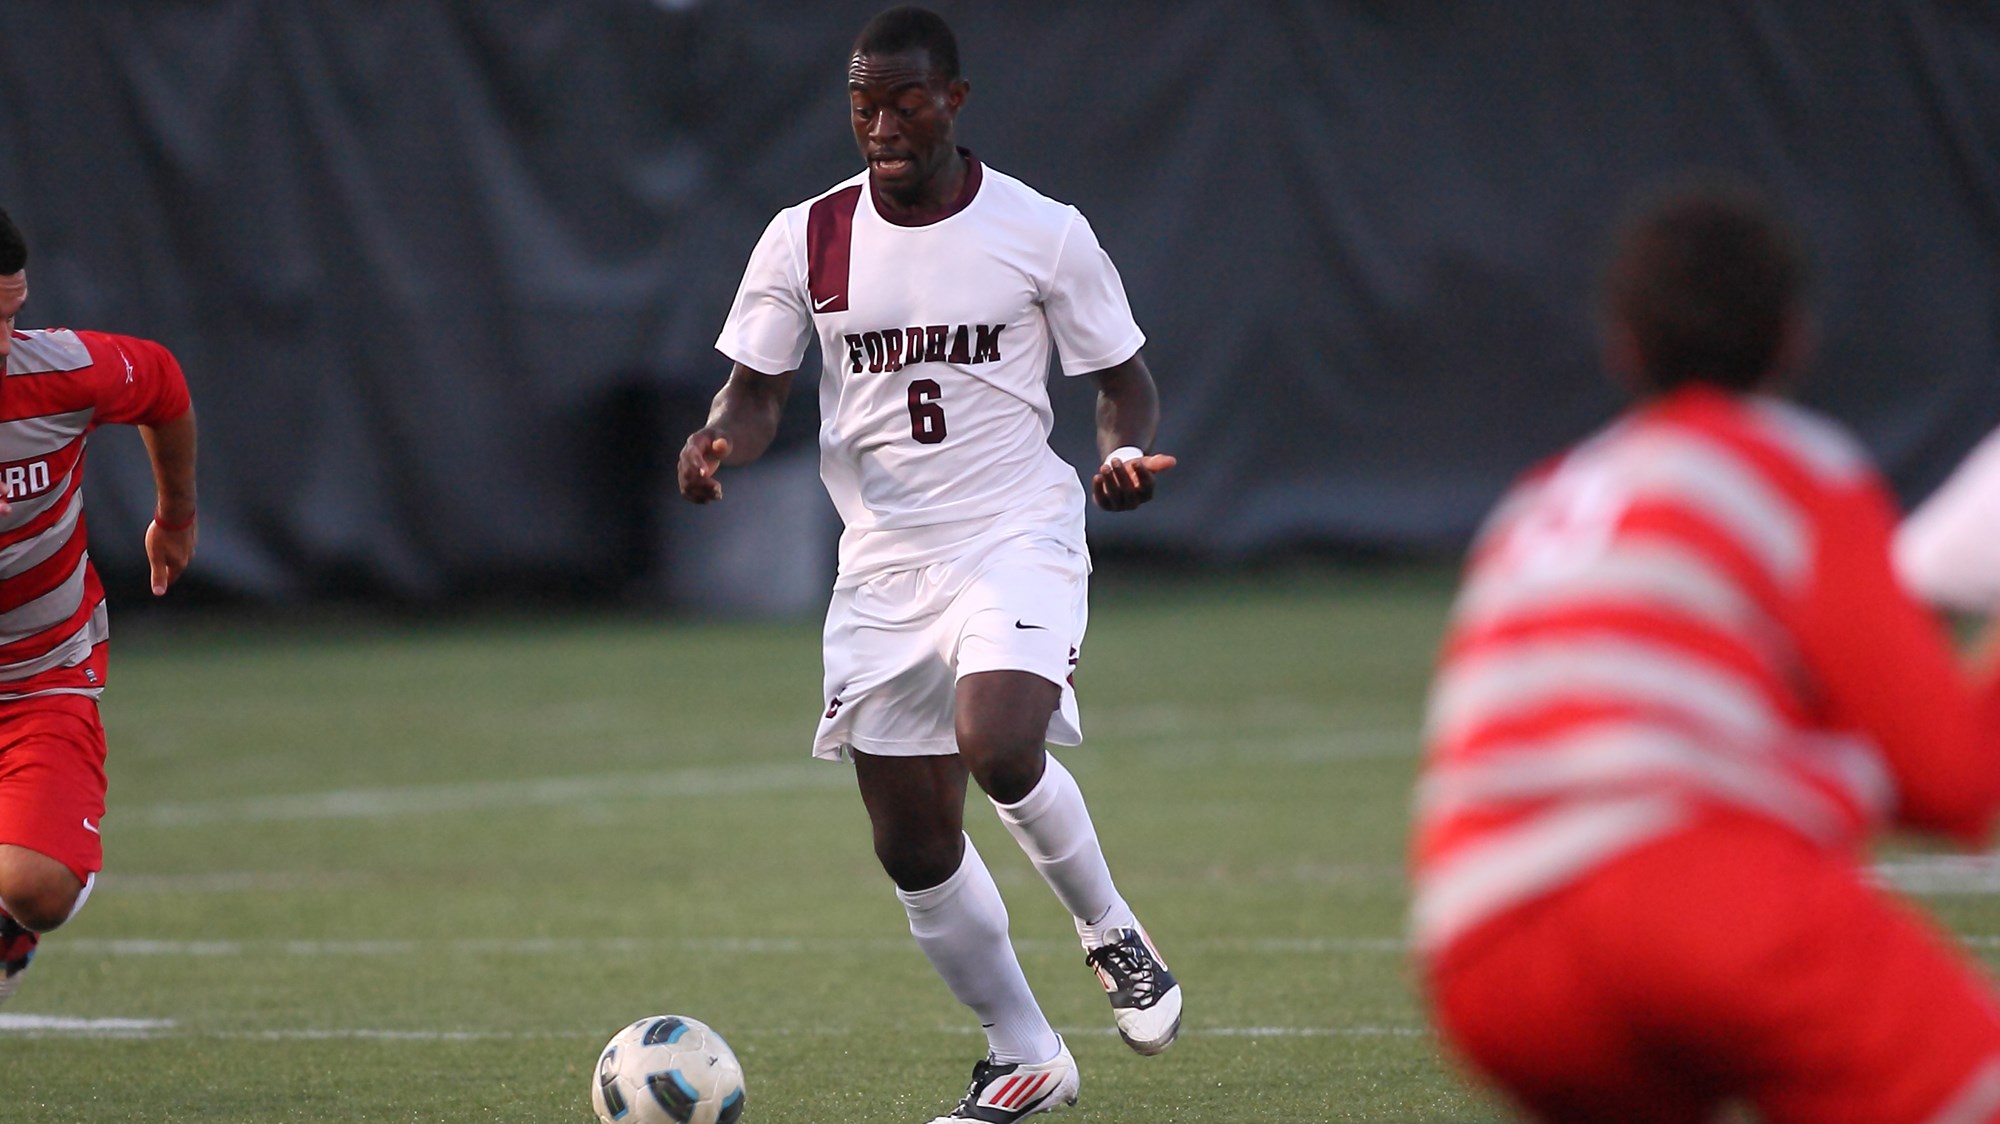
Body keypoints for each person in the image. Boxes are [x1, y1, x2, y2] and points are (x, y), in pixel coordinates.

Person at [676, 8, 1180, 1120]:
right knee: (910, 840)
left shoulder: (1041, 230)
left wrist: (1122, 455)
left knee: (998, 741)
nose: (883, 126)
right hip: (883, 563)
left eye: (905, 102)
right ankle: (1023, 1053)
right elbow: (754, 392)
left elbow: (1121, 380)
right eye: (864, 105)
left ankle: (1110, 930)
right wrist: (717, 441)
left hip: (1015, 531)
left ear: (953, 99)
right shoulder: (805, 236)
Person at [1411, 180, 2000, 1122]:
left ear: (1623, 345)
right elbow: (1955, 786)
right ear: (1794, 338)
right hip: (1685, 896)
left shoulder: (1538, 501)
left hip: (1482, 948)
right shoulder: (1792, 466)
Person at [0, 204, 198, 1007]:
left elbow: (162, 382)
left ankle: (11, 925)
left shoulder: (59, 371)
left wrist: (176, 514)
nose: (2, 342)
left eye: (11, 316)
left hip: (39, 677)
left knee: (37, 889)